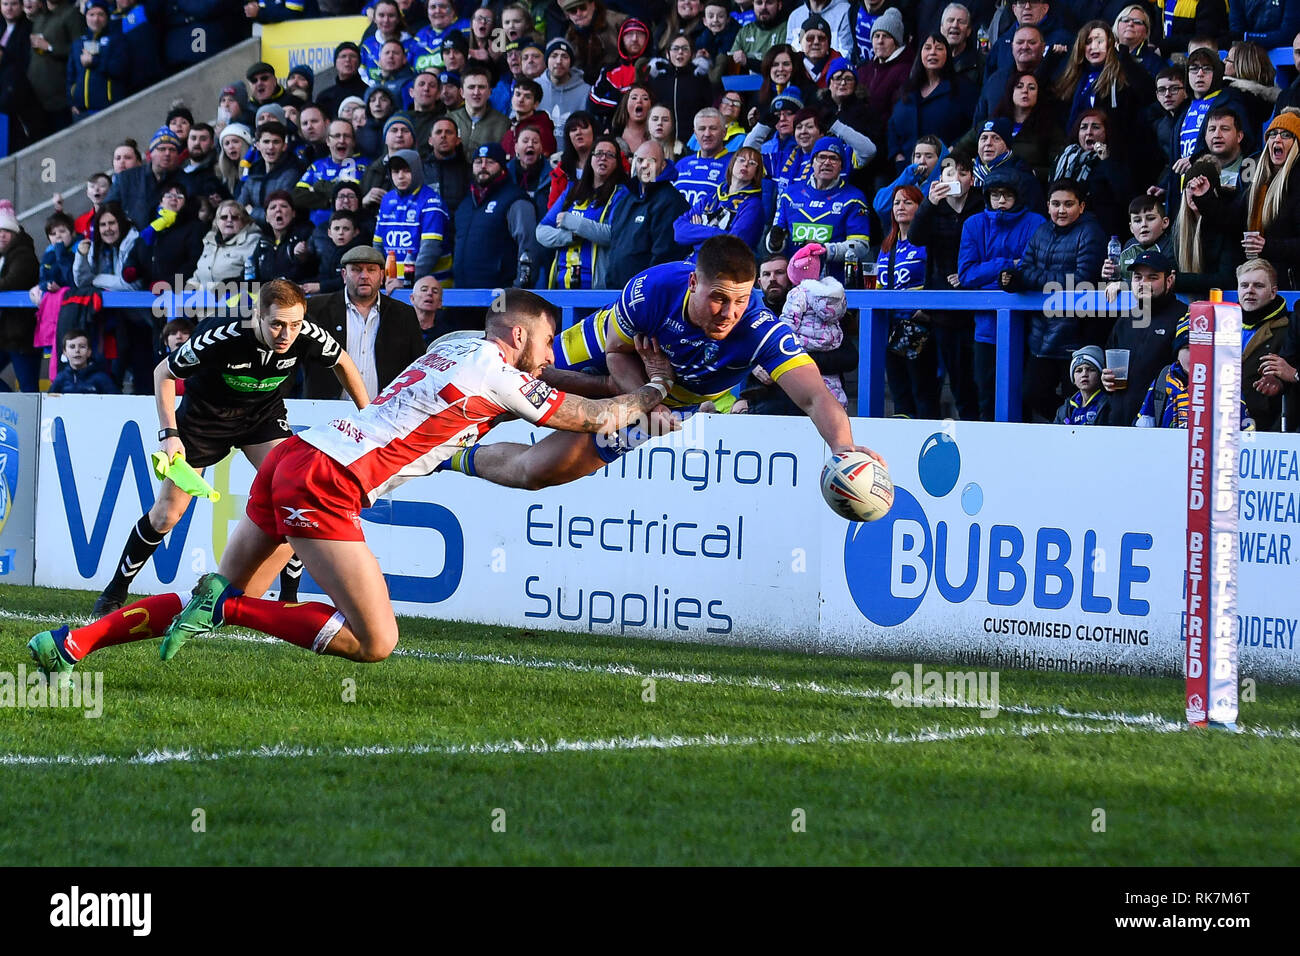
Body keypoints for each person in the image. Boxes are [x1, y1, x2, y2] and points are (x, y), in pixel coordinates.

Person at [28, 292, 682, 678]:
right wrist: (653, 387)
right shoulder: (500, 373)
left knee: (219, 590)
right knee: (376, 641)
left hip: (297, 456)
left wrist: (607, 388)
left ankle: (74, 641)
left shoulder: (458, 344)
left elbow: (550, 392)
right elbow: (593, 417)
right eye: (544, 341)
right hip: (330, 480)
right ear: (517, 334)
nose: (550, 355)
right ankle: (228, 609)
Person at [440, 236, 885, 494]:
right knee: (513, 371)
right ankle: (424, 404)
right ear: (694, 282)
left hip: (669, 400)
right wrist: (649, 390)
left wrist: (843, 448)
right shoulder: (653, 289)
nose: (729, 312)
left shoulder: (762, 330)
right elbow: (615, 353)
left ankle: (447, 458)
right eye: (717, 297)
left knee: (538, 473)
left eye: (741, 300)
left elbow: (814, 396)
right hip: (612, 351)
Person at [88, 279, 368, 618]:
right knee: (167, 514)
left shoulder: (307, 333)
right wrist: (169, 434)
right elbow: (162, 372)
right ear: (257, 315)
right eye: (277, 323)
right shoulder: (220, 336)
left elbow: (343, 362)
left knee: (296, 495)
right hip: (203, 422)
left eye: (294, 324)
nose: (286, 334)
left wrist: (368, 416)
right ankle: (115, 589)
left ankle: (288, 600)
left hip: (261, 419)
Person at [1000, 178, 1105, 420]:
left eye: (1068, 204)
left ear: (1082, 206)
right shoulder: (1042, 230)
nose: (1061, 210)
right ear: (1047, 206)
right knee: (1032, 394)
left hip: (1076, 333)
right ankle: (1064, 422)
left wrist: (1030, 279)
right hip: (1042, 334)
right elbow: (1023, 269)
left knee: (1082, 397)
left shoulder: (1091, 231)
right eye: (1056, 204)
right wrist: (1011, 279)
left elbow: (1081, 279)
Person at [958, 168, 1047, 421]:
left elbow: (1034, 270)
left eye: (1006, 195)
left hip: (1028, 325)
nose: (1000, 201)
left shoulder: (1035, 223)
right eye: (995, 195)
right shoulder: (973, 224)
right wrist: (1007, 265)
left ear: (1018, 196)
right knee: (986, 396)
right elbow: (966, 274)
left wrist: (995, 275)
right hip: (986, 328)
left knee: (1024, 397)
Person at [1190, 110, 1300, 287]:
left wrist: (1267, 246)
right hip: (1259, 281)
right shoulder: (1258, 184)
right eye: (1272, 135)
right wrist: (1205, 197)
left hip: (1291, 285)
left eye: (1286, 135)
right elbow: (1230, 220)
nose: (1277, 140)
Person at [910, 151, 981, 420]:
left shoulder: (981, 205)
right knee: (954, 375)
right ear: (941, 178)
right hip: (941, 305)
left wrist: (970, 275)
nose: (957, 179)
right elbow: (915, 238)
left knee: (975, 378)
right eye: (951, 173)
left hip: (975, 301)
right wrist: (928, 203)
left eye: (963, 173)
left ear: (972, 179)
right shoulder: (934, 207)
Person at [304, 246, 424, 402]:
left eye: (371, 270)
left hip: (385, 413)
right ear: (344, 274)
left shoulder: (403, 314)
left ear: (382, 275)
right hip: (326, 411)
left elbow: (418, 366)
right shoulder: (316, 309)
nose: (364, 276)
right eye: (356, 270)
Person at [768, 136, 871, 285]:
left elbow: (861, 247)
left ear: (841, 166)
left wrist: (824, 250)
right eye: (821, 157)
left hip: (837, 286)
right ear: (812, 162)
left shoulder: (854, 198)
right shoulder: (790, 194)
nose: (827, 162)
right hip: (794, 286)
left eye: (834, 158)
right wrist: (774, 242)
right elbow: (776, 241)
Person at [538, 135, 628, 288]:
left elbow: (613, 235)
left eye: (610, 155)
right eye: (598, 153)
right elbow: (541, 232)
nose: (603, 158)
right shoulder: (572, 190)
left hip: (595, 287)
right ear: (590, 158)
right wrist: (571, 236)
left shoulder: (621, 194)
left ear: (617, 163)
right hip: (561, 284)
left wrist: (573, 222)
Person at [1135, 316, 1254, 430]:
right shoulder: (1163, 379)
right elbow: (1143, 429)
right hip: (1167, 449)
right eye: (1187, 348)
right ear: (1177, 352)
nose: (1195, 355)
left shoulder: (1226, 383)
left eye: (1202, 348)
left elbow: (1244, 430)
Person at [453, 142, 544, 289]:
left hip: (501, 296)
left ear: (502, 167)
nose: (483, 166)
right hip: (464, 294)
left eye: (490, 162)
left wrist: (518, 290)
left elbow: (528, 247)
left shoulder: (516, 200)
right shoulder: (465, 204)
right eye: (478, 162)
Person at [887, 33, 975, 170]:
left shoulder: (962, 88)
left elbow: (973, 126)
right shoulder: (907, 89)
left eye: (939, 48)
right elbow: (892, 125)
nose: (933, 52)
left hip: (946, 168)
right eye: (927, 48)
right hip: (907, 169)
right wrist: (898, 156)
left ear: (948, 54)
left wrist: (953, 149)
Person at [1234, 258, 1299, 432]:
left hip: (1265, 431)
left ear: (1273, 292)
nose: (1250, 291)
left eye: (1258, 286)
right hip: (1223, 423)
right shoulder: (1222, 325)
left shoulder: (1289, 330)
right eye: (1244, 285)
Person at [373, 148, 451, 286]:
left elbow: (430, 250)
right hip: (393, 285)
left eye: (406, 170)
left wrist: (406, 281)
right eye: (396, 172)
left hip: (430, 286)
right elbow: (378, 245)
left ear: (416, 170)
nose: (401, 176)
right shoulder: (387, 199)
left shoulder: (431, 201)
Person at [1050, 108, 1132, 237]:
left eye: (1095, 127)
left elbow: (1125, 194)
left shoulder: (1115, 159)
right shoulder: (1065, 158)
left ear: (1106, 132)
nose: (1089, 132)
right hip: (1066, 230)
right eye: (1083, 127)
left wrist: (1106, 160)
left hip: (1100, 230)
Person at [673, 145, 764, 255]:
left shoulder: (753, 205)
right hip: (695, 263)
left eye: (752, 163)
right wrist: (720, 233)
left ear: (756, 172)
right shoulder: (711, 197)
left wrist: (696, 235)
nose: (745, 164)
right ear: (732, 164)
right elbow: (679, 232)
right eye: (741, 160)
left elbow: (732, 245)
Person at [1171, 158, 1240, 297]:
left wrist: (1177, 280)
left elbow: (1226, 280)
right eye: (1190, 187)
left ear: (1213, 192)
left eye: (1201, 187)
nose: (1195, 192)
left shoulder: (1228, 223)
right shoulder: (1178, 228)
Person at [295, 119, 369, 228]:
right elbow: (297, 196)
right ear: (328, 141)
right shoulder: (317, 166)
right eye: (337, 136)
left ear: (353, 141)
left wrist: (318, 187)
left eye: (347, 136)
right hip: (316, 230)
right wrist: (329, 201)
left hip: (349, 229)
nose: (342, 140)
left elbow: (357, 194)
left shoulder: (364, 165)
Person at [0, 201, 40, 392]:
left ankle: (24, 417)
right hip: (6, 335)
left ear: (14, 233)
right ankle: (11, 408)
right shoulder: (5, 256)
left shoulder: (23, 254)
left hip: (22, 336)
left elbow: (12, 283)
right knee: (27, 390)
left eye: (5, 231)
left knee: (29, 389)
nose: (1, 235)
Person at [588, 17, 651, 131]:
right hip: (613, 131)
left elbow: (654, 103)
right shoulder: (609, 71)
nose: (635, 39)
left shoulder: (655, 67)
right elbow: (594, 102)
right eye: (629, 34)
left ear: (647, 38)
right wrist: (626, 102)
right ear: (621, 38)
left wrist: (617, 97)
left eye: (640, 34)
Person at [1102, 196, 1173, 292]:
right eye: (1137, 220)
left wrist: (1123, 285)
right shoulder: (1129, 246)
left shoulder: (1171, 246)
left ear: (1165, 222)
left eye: (1150, 218)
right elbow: (1117, 284)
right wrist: (1109, 276)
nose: (1143, 224)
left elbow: (1162, 285)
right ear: (1131, 228)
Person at [239, 122, 304, 225]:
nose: (271, 147)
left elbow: (279, 217)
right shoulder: (254, 170)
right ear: (258, 145)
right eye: (266, 142)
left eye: (276, 142)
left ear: (284, 146)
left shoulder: (292, 173)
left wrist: (252, 211)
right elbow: (240, 207)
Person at [193, 200, 265, 289]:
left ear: (244, 222)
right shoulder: (209, 241)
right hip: (204, 298)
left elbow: (252, 279)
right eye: (224, 217)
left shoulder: (252, 241)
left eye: (235, 217)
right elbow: (198, 275)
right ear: (217, 221)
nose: (229, 220)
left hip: (236, 298)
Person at [450, 61, 510, 155]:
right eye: (471, 87)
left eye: (481, 87)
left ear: (490, 92)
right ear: (461, 92)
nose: (476, 92)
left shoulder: (504, 124)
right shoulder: (450, 119)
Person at [304, 210, 368, 295]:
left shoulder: (359, 253)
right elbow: (322, 276)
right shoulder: (327, 251)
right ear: (329, 233)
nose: (341, 233)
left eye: (346, 229)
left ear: (356, 232)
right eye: (336, 229)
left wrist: (320, 287)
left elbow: (350, 280)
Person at [539, 37, 592, 130]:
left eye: (564, 56)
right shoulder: (536, 86)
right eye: (554, 56)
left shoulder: (585, 91)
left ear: (571, 62)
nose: (559, 61)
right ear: (547, 60)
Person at [422, 116, 470, 217]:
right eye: (438, 132)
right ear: (430, 140)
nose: (443, 136)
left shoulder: (468, 171)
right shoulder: (420, 170)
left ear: (458, 140)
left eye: (449, 132)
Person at [1052, 345, 1111, 424]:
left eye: (1091, 370)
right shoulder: (1064, 410)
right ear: (1073, 378)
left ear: (1100, 375)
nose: (1084, 374)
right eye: (1079, 371)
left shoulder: (1108, 405)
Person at [48, 327, 117, 394]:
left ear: (89, 352)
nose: (77, 350)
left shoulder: (101, 379)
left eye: (82, 346)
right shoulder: (61, 379)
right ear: (64, 352)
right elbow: (48, 402)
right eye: (72, 347)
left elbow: (117, 402)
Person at [318, 42, 369, 121]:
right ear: (335, 63)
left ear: (359, 63)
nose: (347, 60)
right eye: (343, 56)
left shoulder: (368, 93)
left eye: (352, 56)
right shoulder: (325, 97)